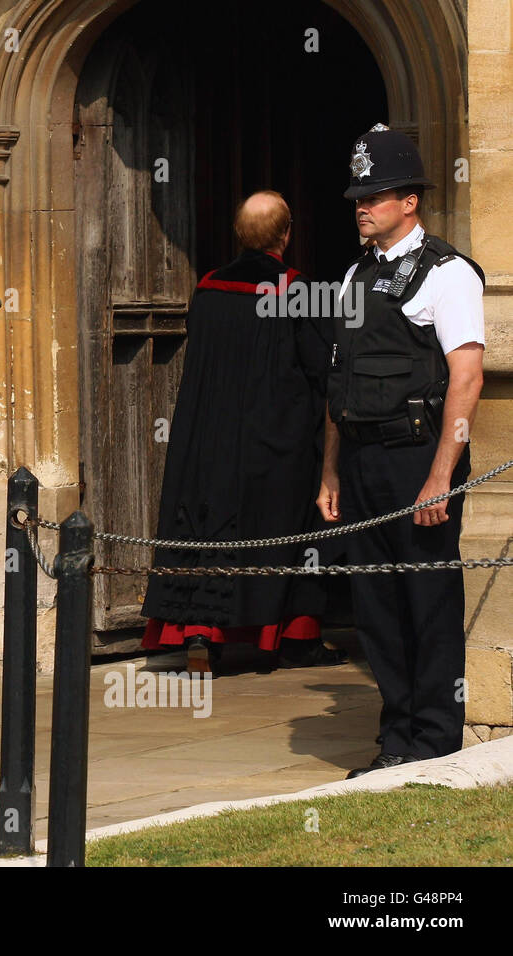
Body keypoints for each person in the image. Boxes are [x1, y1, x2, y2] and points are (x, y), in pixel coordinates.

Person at [318, 124, 485, 777]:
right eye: (359, 196)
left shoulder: (447, 274)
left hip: (419, 456)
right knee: (377, 605)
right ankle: (397, 740)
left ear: (409, 200)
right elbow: (339, 378)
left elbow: (466, 378)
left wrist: (441, 475)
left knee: (427, 600)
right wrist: (330, 470)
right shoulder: (353, 276)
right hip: (360, 460)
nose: (364, 206)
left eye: (377, 195)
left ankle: (436, 740)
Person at [141, 191, 343, 674]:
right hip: (273, 442)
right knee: (287, 530)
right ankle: (295, 638)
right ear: (287, 234)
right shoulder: (297, 290)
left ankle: (200, 637)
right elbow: (323, 371)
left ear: (238, 235)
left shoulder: (208, 288)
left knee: (207, 529)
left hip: (207, 440)